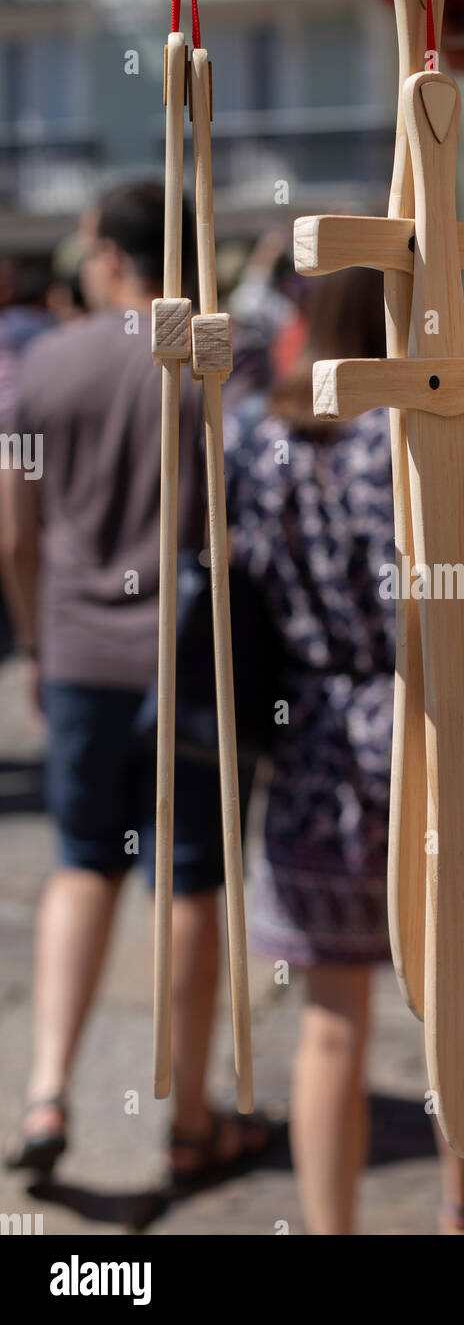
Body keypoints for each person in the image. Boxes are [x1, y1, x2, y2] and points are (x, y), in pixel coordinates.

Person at [225, 267, 464, 1234]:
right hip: (417, 724)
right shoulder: (414, 435)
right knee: (451, 992)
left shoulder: (258, 436)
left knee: (330, 1021)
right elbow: (463, 610)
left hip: (309, 737)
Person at [1, 182, 272, 1184]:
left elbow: (14, 530)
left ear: (109, 254)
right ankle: (190, 1119)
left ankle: (46, 1089)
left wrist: (37, 641)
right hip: (188, 654)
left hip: (79, 651)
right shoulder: (214, 356)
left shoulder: (43, 362)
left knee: (82, 863)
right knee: (189, 878)